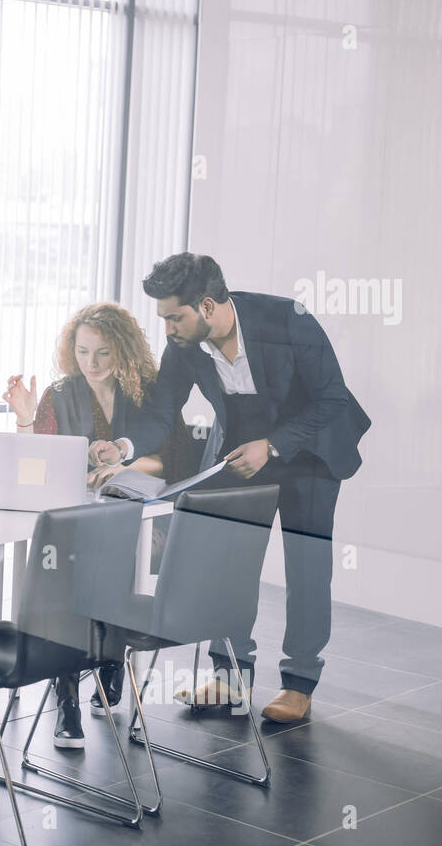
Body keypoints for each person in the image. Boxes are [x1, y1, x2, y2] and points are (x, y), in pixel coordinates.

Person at [110, 252, 371, 723]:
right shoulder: (184, 346)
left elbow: (332, 397)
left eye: (174, 317)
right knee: (229, 561)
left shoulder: (286, 320)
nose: (167, 329)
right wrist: (123, 446)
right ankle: (230, 675)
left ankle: (299, 682)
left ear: (207, 306)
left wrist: (272, 446)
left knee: (306, 566)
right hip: (241, 446)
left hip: (310, 447)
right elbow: (161, 412)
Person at [4, 303, 194, 748]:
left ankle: (111, 656)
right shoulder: (60, 393)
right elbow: (34, 465)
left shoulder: (147, 394)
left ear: (123, 352)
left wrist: (122, 465)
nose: (91, 363)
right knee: (67, 568)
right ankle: (66, 691)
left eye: (103, 353)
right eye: (83, 351)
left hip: (136, 513)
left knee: (117, 556)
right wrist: (26, 419)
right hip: (77, 518)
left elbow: (173, 459)